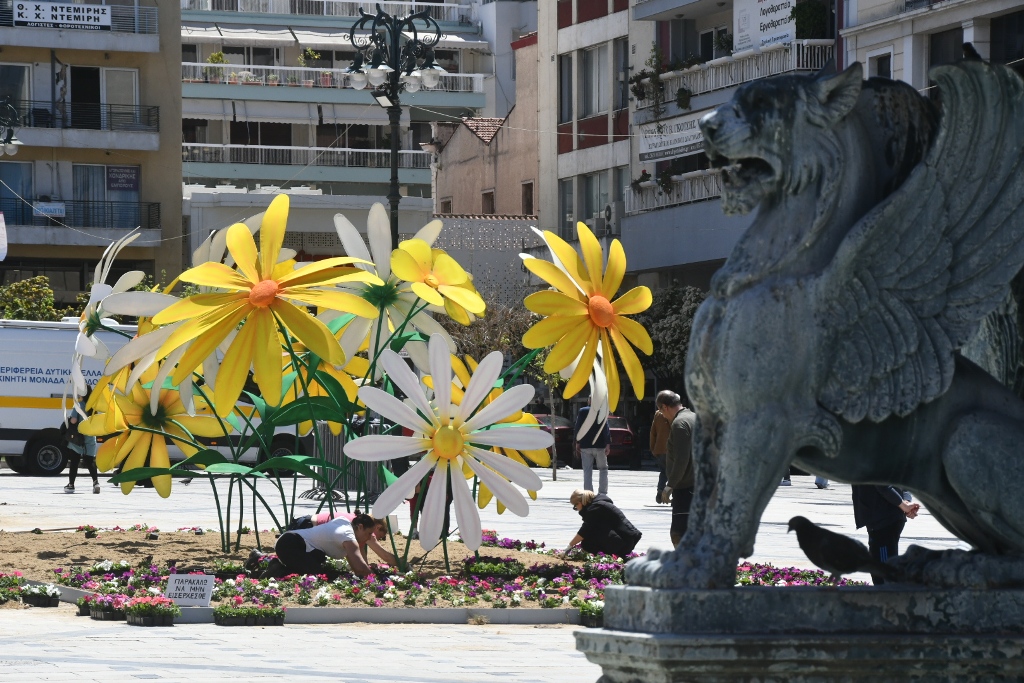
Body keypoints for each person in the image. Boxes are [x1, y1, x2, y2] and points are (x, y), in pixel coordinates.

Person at [260, 513, 396, 578]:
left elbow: (357, 565)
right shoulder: (347, 535)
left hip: (292, 542)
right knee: (320, 575)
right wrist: (377, 579)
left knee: (320, 570)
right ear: (360, 527)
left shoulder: (345, 524)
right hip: (291, 544)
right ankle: (278, 570)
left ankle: (274, 565)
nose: (369, 538)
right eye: (368, 533)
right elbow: (360, 568)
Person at [851, 484, 920, 584]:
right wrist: (905, 503)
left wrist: (904, 505)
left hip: (882, 517)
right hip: (888, 515)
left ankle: (889, 593)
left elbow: (881, 485)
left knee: (883, 571)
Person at [658, 390, 696, 546]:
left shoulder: (679, 424)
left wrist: (670, 485)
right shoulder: (695, 417)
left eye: (661, 412)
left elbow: (681, 459)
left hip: (685, 488)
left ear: (665, 407)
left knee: (678, 533)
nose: (662, 415)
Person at [565, 489, 642, 557]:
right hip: (628, 540)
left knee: (587, 543)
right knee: (592, 533)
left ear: (579, 503)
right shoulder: (600, 504)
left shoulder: (594, 509)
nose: (577, 509)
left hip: (624, 543)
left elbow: (584, 531)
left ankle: (609, 556)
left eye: (575, 507)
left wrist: (569, 546)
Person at [64, 389, 100, 494]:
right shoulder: (94, 406)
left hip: (78, 438)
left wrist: (69, 419)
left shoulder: (79, 405)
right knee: (90, 462)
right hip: (91, 437)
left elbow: (74, 420)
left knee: (74, 462)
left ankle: (71, 485)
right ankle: (96, 483)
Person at [574, 398, 610, 494]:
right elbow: (605, 428)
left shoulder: (582, 411)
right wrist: (607, 443)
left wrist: (577, 442)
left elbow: (578, 427)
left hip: (585, 445)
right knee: (603, 469)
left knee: (587, 470)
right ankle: (602, 492)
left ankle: (588, 493)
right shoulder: (602, 411)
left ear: (589, 401)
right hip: (600, 445)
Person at [650, 397, 672, 504]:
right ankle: (672, 494)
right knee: (674, 472)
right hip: (671, 449)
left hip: (660, 449)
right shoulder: (673, 414)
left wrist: (653, 448)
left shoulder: (657, 415)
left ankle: (660, 491)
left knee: (664, 472)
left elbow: (653, 433)